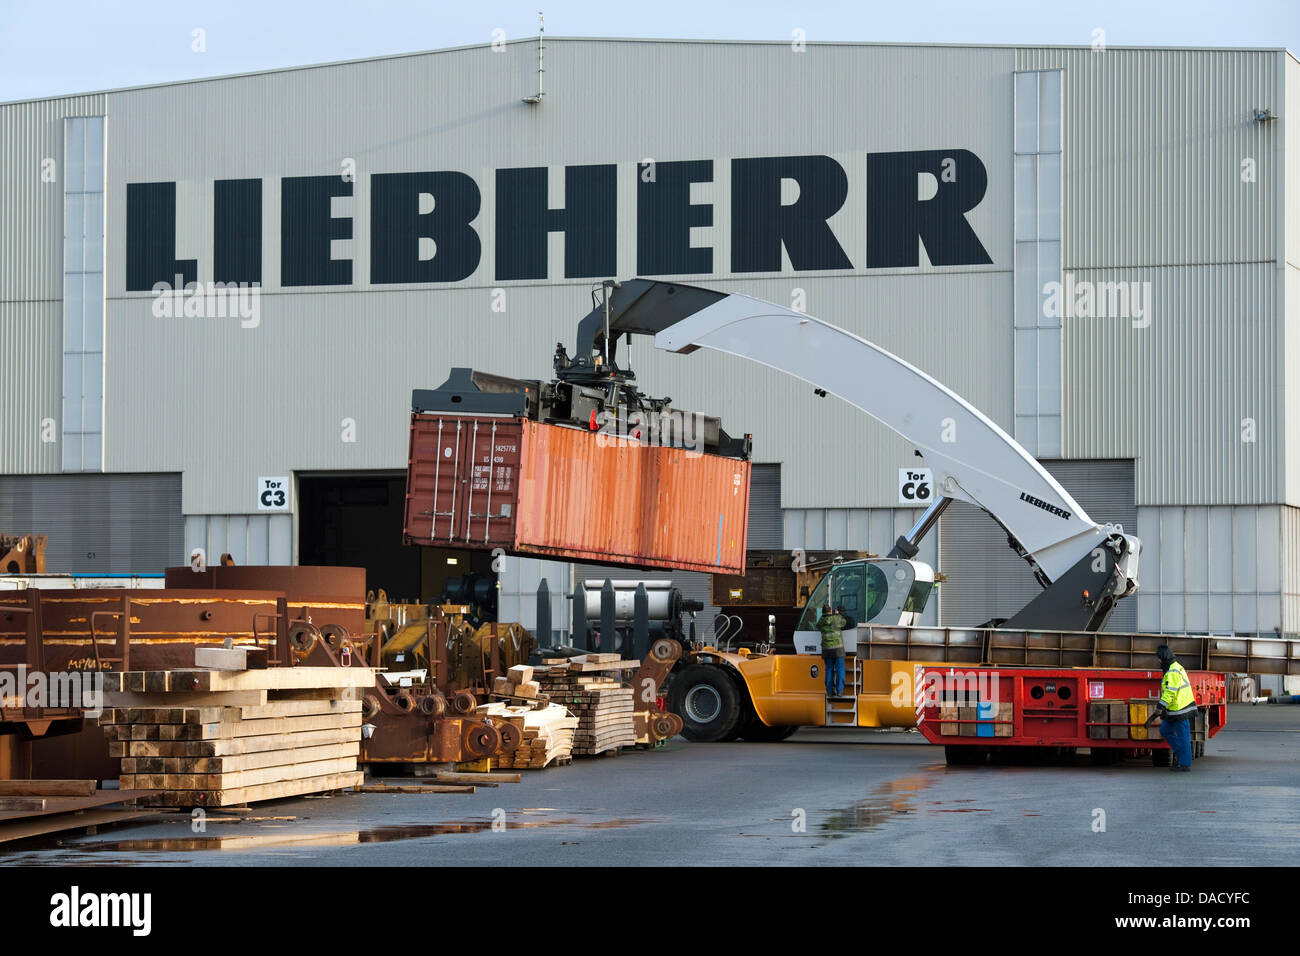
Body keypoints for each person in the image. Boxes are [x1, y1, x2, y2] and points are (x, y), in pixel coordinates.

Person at [1145, 644, 1198, 771]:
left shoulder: (1172, 671)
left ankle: (1184, 764)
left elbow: (1170, 692)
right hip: (1175, 708)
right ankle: (1181, 757)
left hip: (1180, 709)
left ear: (1164, 657)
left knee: (1183, 736)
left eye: (1159, 658)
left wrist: (1159, 707)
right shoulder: (1174, 667)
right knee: (1165, 730)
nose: (1158, 661)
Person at [817, 603, 846, 698]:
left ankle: (829, 691)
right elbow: (844, 622)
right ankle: (840, 691)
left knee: (829, 669)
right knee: (840, 669)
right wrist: (837, 614)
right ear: (830, 611)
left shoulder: (821, 621)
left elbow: (818, 626)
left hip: (826, 650)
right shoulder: (836, 618)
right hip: (838, 649)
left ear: (822, 613)